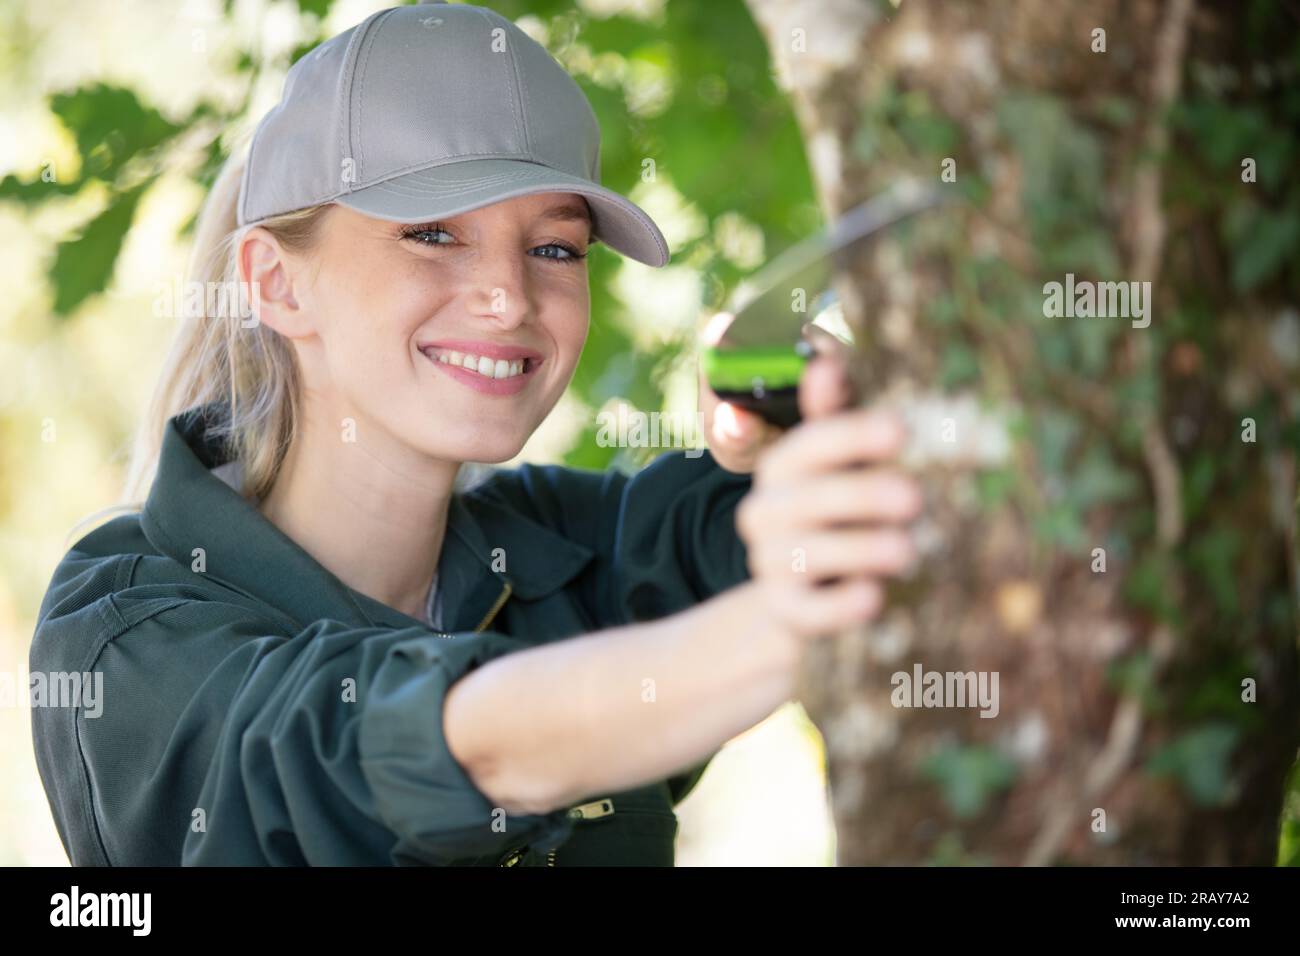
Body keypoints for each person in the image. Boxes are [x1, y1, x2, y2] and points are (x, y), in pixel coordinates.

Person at [29, 1, 922, 866]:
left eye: (555, 248)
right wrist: (784, 627)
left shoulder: (570, 550)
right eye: (432, 234)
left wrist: (795, 432)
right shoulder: (127, 629)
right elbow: (400, 750)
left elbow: (925, 528)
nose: (509, 296)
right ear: (277, 284)